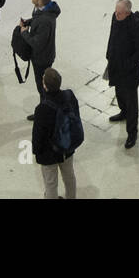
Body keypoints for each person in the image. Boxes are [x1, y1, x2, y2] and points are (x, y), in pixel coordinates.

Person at [105, 0, 139, 150]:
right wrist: (109, 53)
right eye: (116, 12)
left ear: (128, 12)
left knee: (131, 100)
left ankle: (132, 132)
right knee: (118, 91)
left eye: (120, 13)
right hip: (115, 63)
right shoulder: (115, 16)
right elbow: (112, 34)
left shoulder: (136, 26)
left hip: (129, 70)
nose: (116, 15)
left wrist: (130, 64)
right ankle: (123, 112)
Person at [31, 67, 81, 198]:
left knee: (51, 183)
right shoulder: (69, 95)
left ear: (45, 86)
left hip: (49, 153)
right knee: (69, 176)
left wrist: (36, 151)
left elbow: (38, 136)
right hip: (67, 146)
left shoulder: (42, 109)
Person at [15, 0, 60, 119]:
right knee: (43, 87)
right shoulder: (44, 10)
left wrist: (24, 32)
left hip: (42, 58)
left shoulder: (45, 20)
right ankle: (45, 109)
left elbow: (37, 43)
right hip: (46, 53)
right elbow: (37, 19)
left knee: (43, 88)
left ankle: (44, 113)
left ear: (39, 1)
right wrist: (29, 22)